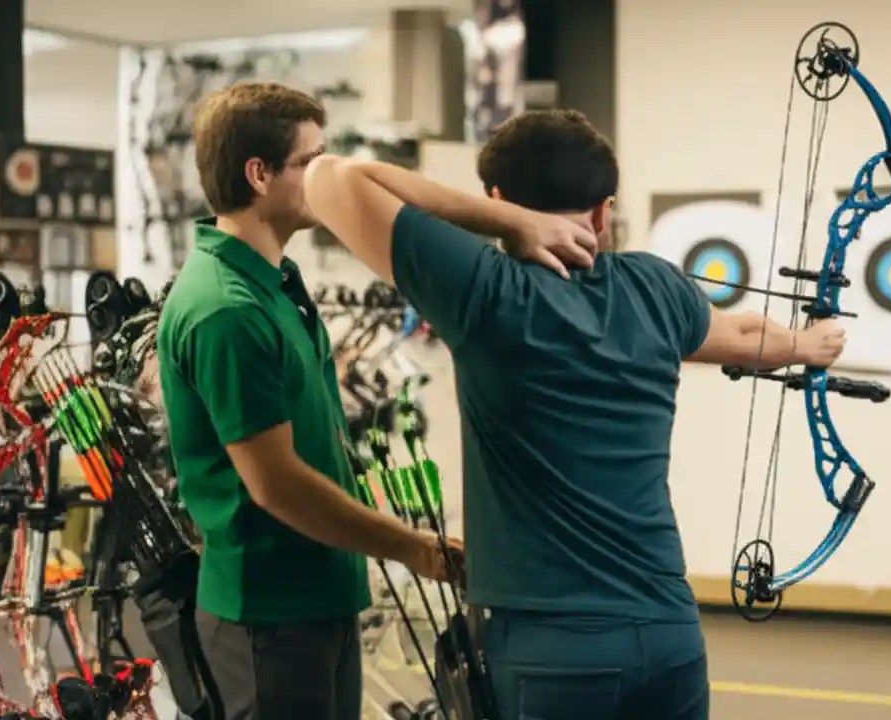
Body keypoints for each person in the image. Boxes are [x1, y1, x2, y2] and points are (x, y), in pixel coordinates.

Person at [302, 109, 846, 720]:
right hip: (669, 635)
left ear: (500, 199)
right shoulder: (656, 289)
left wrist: (504, 220)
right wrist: (810, 343)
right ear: (604, 210)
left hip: (552, 651)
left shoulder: (483, 290)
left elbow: (326, 177)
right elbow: (745, 334)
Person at [155, 85, 596, 720]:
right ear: (259, 174)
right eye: (312, 161)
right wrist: (409, 545)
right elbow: (276, 485)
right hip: (269, 617)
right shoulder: (226, 309)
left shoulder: (275, 281)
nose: (328, 174)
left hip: (318, 598)